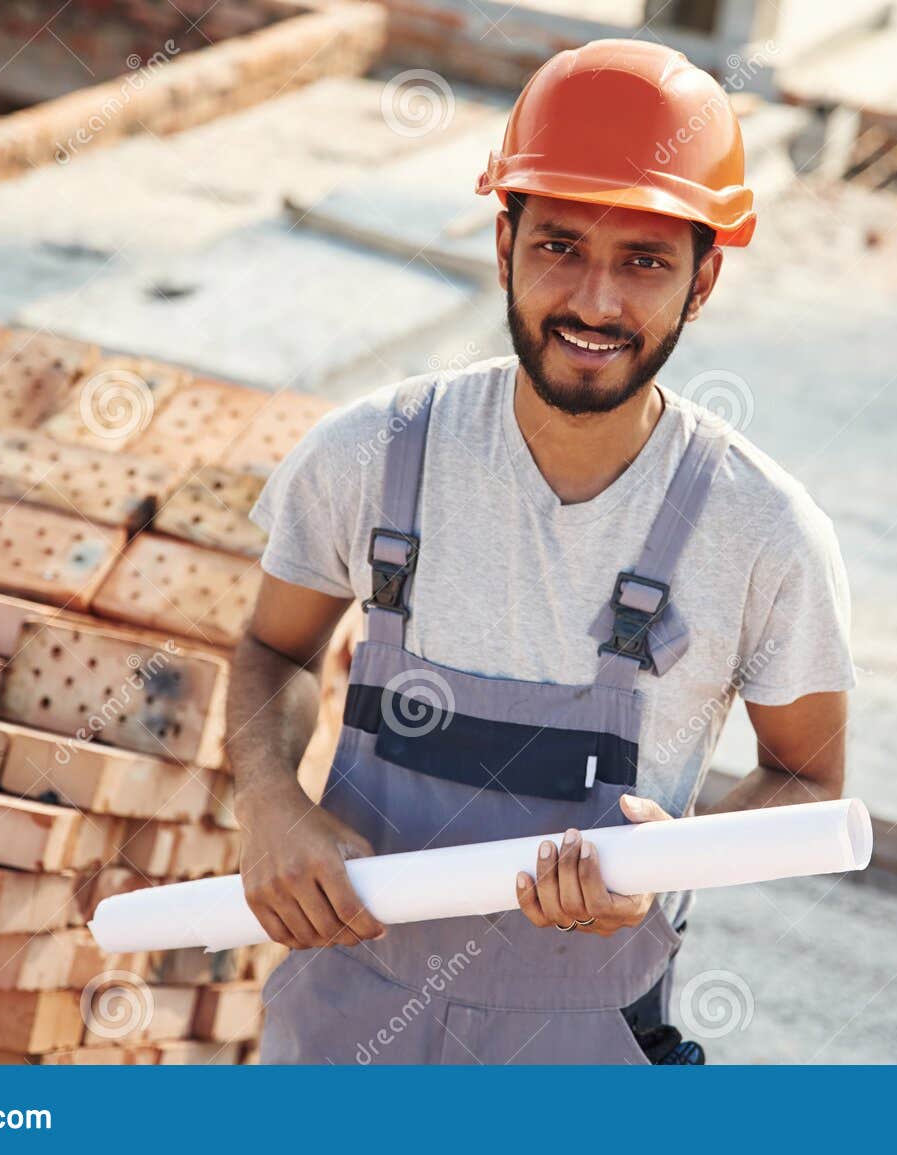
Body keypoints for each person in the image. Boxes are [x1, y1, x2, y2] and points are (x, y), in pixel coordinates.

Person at [230, 38, 857, 1064]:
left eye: (645, 261)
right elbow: (272, 651)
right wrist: (268, 799)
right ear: (503, 243)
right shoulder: (371, 455)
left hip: (585, 1053)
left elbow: (807, 780)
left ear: (704, 278)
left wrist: (671, 859)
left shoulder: (765, 530)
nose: (596, 304)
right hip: (341, 1031)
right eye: (560, 246)